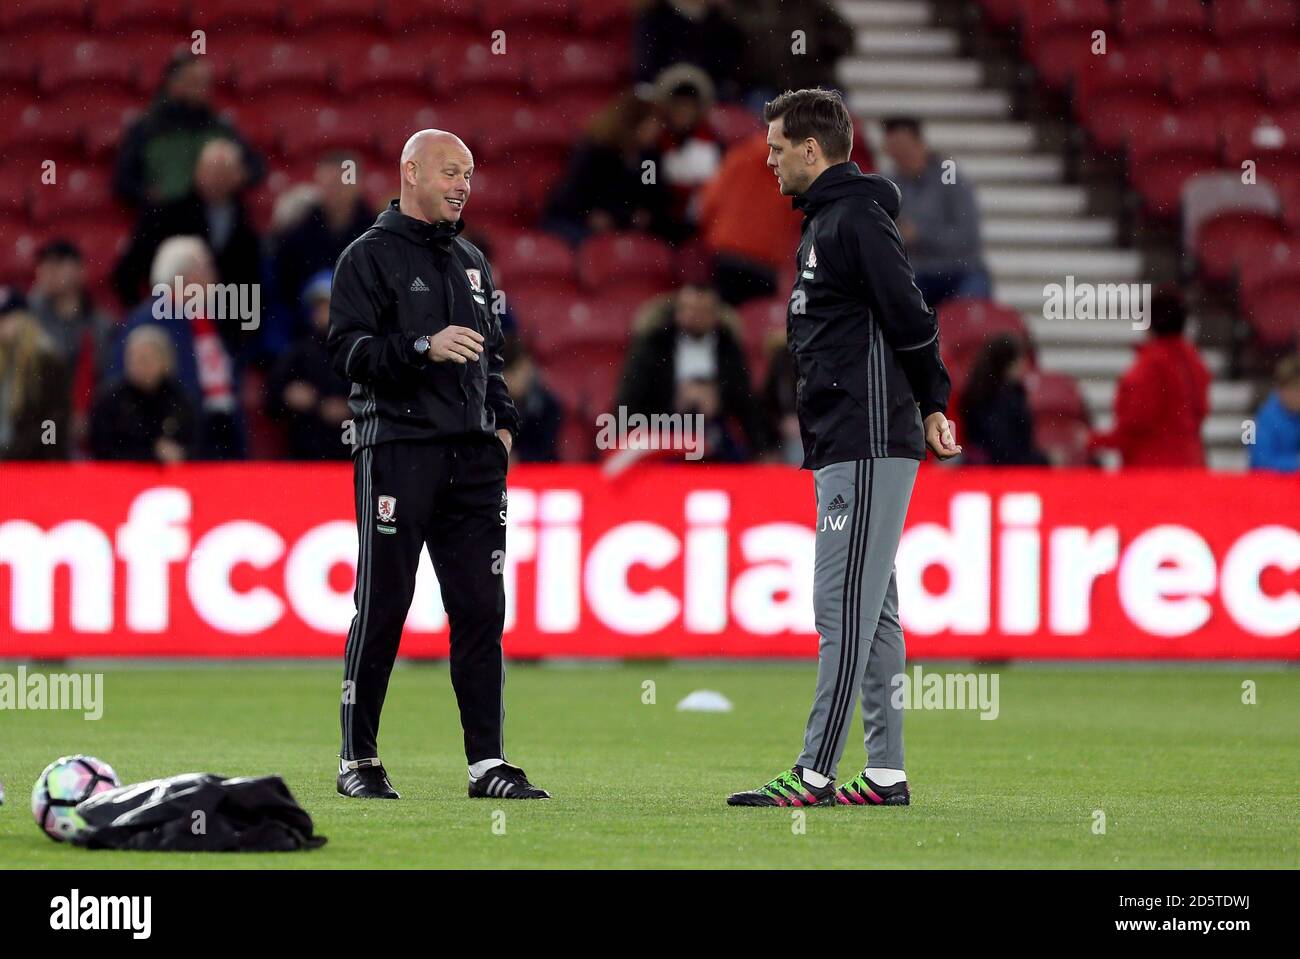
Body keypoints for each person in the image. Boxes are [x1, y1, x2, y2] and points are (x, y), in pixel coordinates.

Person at [728, 89, 959, 809]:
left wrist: (934, 400)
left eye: (774, 148)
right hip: (845, 439)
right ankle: (885, 772)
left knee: (842, 607)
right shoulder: (829, 220)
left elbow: (910, 313)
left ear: (810, 147)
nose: (766, 160)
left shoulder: (854, 217)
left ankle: (814, 772)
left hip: (865, 439)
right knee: (875, 610)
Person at [327, 128, 548, 802]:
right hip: (398, 449)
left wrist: (504, 425)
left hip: (473, 460)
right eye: (450, 172)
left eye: (470, 174)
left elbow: (490, 359)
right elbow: (348, 351)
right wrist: (422, 345)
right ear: (410, 172)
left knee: (482, 607)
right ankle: (357, 760)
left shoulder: (473, 262)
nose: (462, 185)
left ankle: (489, 764)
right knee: (385, 604)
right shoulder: (366, 257)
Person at [113, 138, 263, 352]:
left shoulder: (246, 225)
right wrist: (147, 314)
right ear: (198, 172)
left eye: (225, 171)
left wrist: (244, 331)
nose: (217, 179)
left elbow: (251, 285)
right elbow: (127, 273)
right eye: (212, 170)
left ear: (239, 176)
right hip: (170, 330)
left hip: (224, 334)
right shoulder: (166, 215)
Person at [108, 236, 244, 460]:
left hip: (220, 427)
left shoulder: (210, 318)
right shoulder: (148, 320)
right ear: (185, 277)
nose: (214, 278)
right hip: (182, 434)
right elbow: (126, 383)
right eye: (206, 269)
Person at [616, 278, 768, 461]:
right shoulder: (655, 345)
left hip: (713, 430)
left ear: (714, 315)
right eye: (688, 309)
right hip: (664, 428)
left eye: (702, 311)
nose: (693, 316)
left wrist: (717, 396)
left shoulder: (727, 347)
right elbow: (631, 396)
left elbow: (744, 399)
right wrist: (675, 399)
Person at [113, 50, 263, 208]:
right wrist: (148, 194)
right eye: (195, 82)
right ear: (173, 84)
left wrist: (234, 177)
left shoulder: (218, 126)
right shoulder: (147, 128)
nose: (203, 89)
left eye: (206, 83)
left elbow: (255, 167)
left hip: (211, 212)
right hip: (166, 215)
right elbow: (124, 181)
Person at [1088, 289, 1210, 467]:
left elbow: (1135, 426)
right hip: (1192, 466)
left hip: (1153, 470)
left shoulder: (1151, 366)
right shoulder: (1194, 363)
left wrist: (1092, 440)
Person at [542, 91, 681, 245]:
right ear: (633, 122)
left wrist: (642, 213)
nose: (657, 130)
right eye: (652, 123)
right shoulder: (598, 152)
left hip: (622, 222)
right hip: (576, 221)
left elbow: (650, 193)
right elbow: (579, 198)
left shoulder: (648, 159)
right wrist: (611, 215)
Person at [880, 116, 989, 306]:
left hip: (959, 270)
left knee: (971, 305)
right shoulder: (889, 184)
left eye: (905, 149)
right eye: (895, 151)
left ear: (920, 144)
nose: (901, 156)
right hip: (915, 273)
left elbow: (968, 237)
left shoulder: (951, 179)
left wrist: (920, 235)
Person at [26, 239, 116, 444]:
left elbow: (108, 378)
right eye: (43, 264)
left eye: (57, 263)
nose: (47, 270)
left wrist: (88, 413)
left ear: (80, 271)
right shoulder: (28, 320)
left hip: (90, 422)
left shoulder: (101, 326)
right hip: (38, 422)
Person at [698, 130, 804, 305]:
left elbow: (708, 202)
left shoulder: (738, 156)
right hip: (765, 263)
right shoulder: (797, 174)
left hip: (727, 255)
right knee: (758, 324)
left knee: (726, 317)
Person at [272, 152, 376, 317]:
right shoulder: (299, 232)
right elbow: (285, 288)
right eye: (329, 184)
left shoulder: (378, 233)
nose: (336, 191)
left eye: (342, 184)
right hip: (307, 328)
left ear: (358, 184)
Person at [266, 272, 352, 460]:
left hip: (353, 452)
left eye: (328, 305)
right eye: (317, 306)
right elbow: (272, 400)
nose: (322, 312)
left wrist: (351, 409)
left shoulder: (361, 349)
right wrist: (288, 396)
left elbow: (385, 398)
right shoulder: (298, 352)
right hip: (308, 453)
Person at [89, 324, 197, 462]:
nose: (138, 365)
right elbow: (100, 447)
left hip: (170, 478)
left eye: (145, 359)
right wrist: (150, 454)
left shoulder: (180, 399)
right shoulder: (110, 398)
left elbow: (194, 443)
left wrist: (180, 454)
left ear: (164, 361)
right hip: (121, 475)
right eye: (133, 358)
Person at [0, 289, 70, 460]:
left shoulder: (46, 361)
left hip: (33, 463)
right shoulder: (6, 359)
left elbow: (54, 422)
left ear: (23, 319)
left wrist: (42, 458)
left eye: (5, 318)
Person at [958, 334, 1048, 466]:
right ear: (1009, 363)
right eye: (1022, 360)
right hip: (1000, 473)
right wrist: (1042, 460)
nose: (1026, 365)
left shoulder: (983, 392)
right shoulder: (998, 400)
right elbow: (1003, 451)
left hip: (991, 469)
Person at [633, 0, 745, 101]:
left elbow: (729, 71)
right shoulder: (655, 18)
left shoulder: (721, 22)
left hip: (712, 98)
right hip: (664, 95)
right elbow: (645, 69)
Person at [502, 338, 562, 463]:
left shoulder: (548, 405)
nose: (513, 379)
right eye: (508, 373)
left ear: (528, 366)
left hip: (536, 475)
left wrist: (518, 459)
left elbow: (546, 452)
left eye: (517, 371)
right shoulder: (489, 406)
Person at [1248, 354, 1300, 473]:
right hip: (1272, 486)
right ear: (1279, 390)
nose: (1296, 396)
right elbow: (1260, 462)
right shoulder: (1265, 419)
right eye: (1292, 390)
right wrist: (1295, 463)